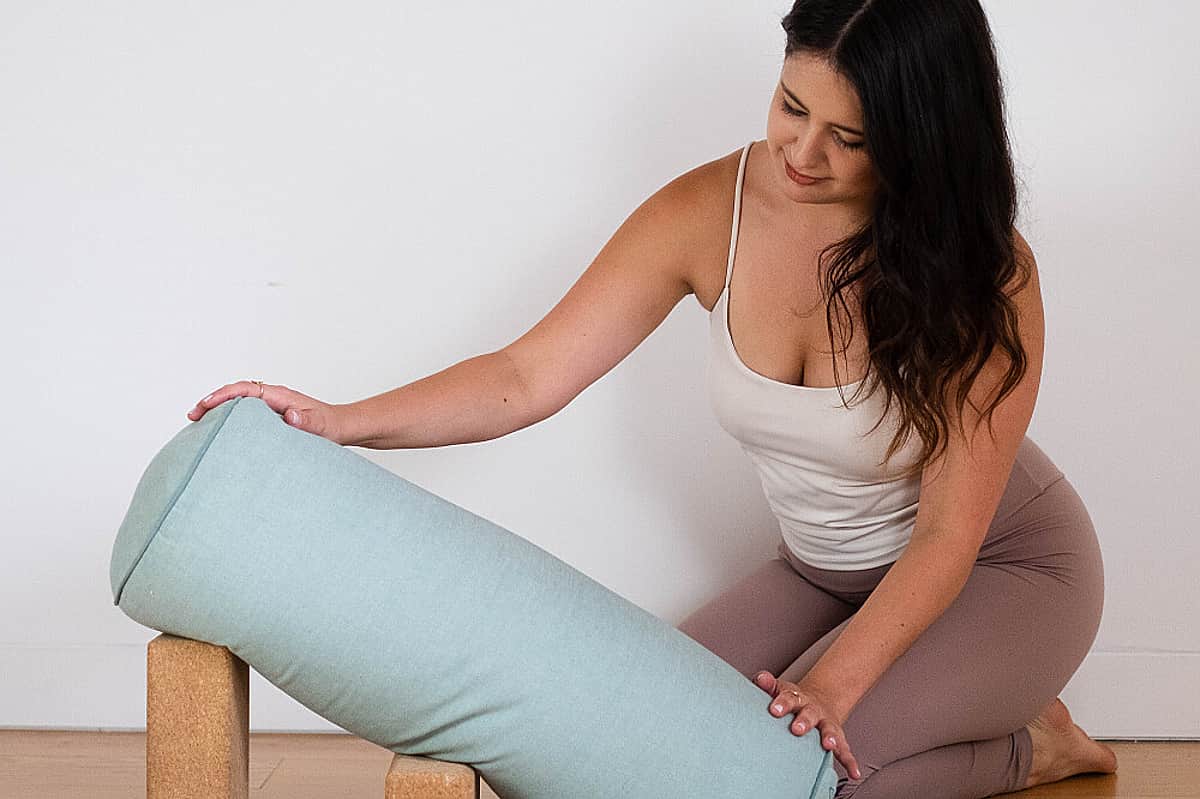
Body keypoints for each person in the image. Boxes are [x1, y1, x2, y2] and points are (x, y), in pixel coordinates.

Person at [187, 1, 1120, 796]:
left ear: (922, 141)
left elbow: (946, 538)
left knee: (789, 777)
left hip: (1004, 570)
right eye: (792, 106)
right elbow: (524, 377)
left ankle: (1027, 744)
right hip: (820, 572)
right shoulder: (711, 208)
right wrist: (337, 421)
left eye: (851, 138)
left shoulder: (987, 274)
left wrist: (831, 688)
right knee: (619, 744)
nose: (802, 151)